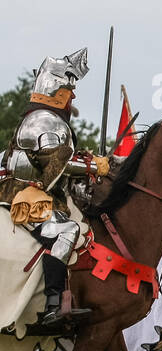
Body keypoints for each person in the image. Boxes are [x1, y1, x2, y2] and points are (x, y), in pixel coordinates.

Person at [0, 48, 108, 326]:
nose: (73, 98)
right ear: (58, 93)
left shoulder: (38, 119)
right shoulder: (47, 122)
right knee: (66, 230)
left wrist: (92, 159)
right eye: (70, 92)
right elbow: (56, 167)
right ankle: (52, 305)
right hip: (24, 193)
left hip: (31, 188)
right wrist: (94, 168)